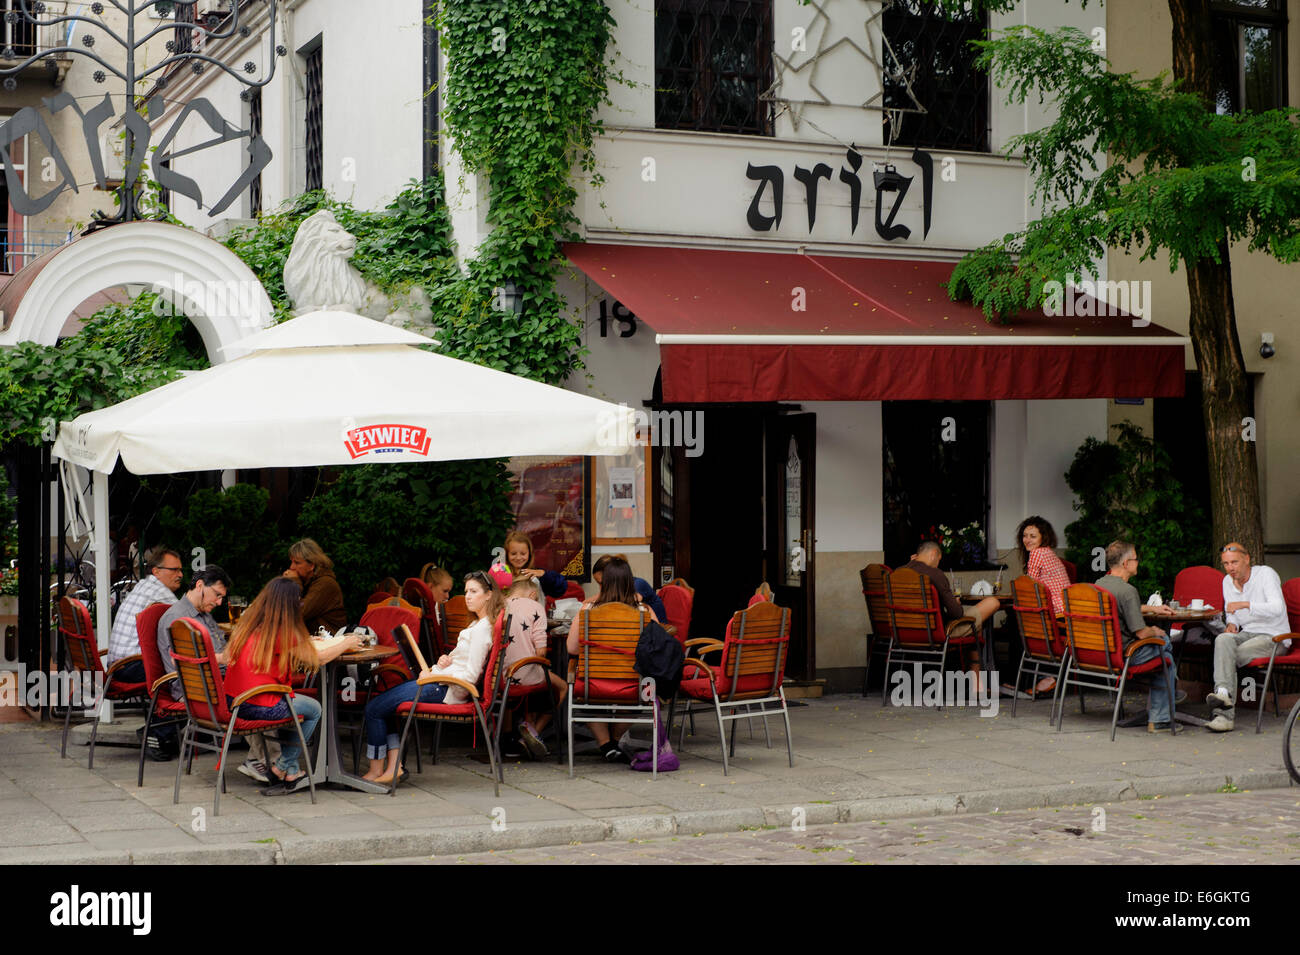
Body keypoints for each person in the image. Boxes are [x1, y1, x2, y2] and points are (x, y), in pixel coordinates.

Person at [361, 571, 502, 784]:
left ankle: (377, 770)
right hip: (439, 683)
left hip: (445, 690)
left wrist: (437, 674)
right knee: (383, 706)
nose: (468, 596)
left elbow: (471, 676)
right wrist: (447, 661)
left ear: (489, 595)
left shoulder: (482, 629)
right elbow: (464, 662)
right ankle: (393, 767)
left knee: (374, 709)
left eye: (474, 591)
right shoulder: (476, 625)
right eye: (466, 592)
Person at [223, 577, 360, 794]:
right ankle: (281, 766)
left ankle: (292, 771)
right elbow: (320, 659)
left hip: (234, 701)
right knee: (314, 709)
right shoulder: (280, 631)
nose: (301, 605)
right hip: (257, 703)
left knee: (295, 704)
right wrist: (346, 643)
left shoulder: (251, 624)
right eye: (298, 601)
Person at [567, 556, 659, 763]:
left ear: (603, 583)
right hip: (634, 686)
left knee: (585, 690)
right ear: (630, 582)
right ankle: (613, 742)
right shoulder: (645, 612)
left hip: (593, 685)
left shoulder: (587, 611)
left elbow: (571, 648)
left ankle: (606, 744)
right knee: (640, 691)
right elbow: (656, 648)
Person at [1205, 542, 1292, 733]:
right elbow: (1233, 613)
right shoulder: (1227, 581)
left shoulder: (1265, 574)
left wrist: (1246, 604)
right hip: (1246, 633)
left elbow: (1277, 608)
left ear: (1247, 559)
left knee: (1229, 654)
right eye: (1226, 564)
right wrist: (1232, 624)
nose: (1230, 568)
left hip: (1274, 636)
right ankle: (1222, 694)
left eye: (1234, 562)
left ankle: (1224, 716)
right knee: (1222, 640)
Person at [1093, 540, 1178, 732]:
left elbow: (1118, 609)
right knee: (1165, 650)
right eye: (1136, 559)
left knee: (1164, 657)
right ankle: (1161, 717)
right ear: (1126, 564)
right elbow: (1141, 633)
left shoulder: (1100, 584)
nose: (1138, 562)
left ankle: (1165, 700)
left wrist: (1150, 608)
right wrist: (1155, 631)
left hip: (1103, 652)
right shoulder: (1128, 591)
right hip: (1125, 655)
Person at [904, 541, 998, 674]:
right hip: (935, 633)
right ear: (933, 554)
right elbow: (957, 614)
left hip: (903, 633)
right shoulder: (935, 574)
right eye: (939, 560)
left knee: (974, 626)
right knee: (992, 603)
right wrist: (956, 603)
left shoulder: (897, 573)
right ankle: (976, 683)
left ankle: (975, 683)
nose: (938, 564)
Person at [503, 577, 568, 759]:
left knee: (510, 691)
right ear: (533, 594)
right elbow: (540, 652)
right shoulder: (536, 608)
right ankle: (533, 732)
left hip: (498, 676)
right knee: (561, 686)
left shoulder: (498, 605)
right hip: (525, 671)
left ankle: (509, 737)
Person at [107, 545, 182, 684]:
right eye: (174, 570)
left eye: (180, 570)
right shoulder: (160, 593)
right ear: (156, 571)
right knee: (190, 668)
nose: (180, 575)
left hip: (116, 666)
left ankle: (164, 703)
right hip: (133, 666)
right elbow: (187, 625)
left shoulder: (143, 586)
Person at [1014, 516, 1072, 695]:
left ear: (1043, 537)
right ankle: (1036, 678)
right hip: (1063, 611)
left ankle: (1024, 680)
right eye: (1025, 535)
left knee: (1016, 628)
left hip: (1056, 613)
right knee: (1016, 624)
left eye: (1032, 536)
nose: (1027, 540)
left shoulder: (1038, 553)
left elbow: (1029, 586)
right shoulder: (1047, 552)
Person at [284, 538, 346, 634]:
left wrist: (294, 583)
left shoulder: (325, 584)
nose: (292, 567)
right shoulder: (306, 581)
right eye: (291, 562)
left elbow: (298, 613)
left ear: (311, 565)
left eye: (297, 562)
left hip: (330, 640)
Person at [593, 552, 666, 622]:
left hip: (658, 626)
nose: (601, 588)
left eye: (602, 583)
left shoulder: (638, 585)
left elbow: (632, 600)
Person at [504, 530, 568, 600]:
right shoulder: (501, 573)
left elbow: (561, 588)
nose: (518, 558)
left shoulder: (537, 575)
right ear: (507, 554)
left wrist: (544, 575)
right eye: (513, 554)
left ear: (530, 554)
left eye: (523, 554)